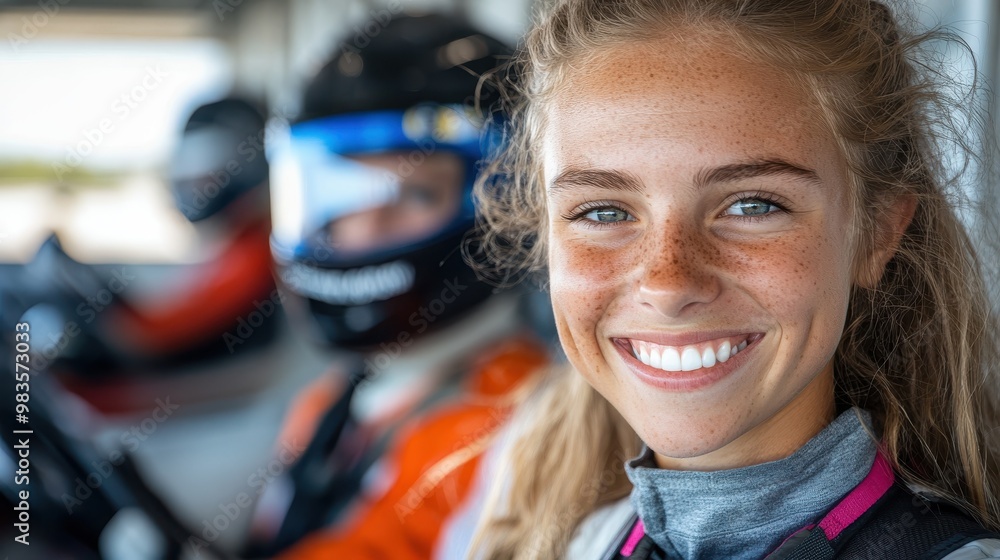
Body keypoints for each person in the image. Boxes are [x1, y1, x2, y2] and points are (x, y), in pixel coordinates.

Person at [463, 0, 1000, 558]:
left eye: (751, 206)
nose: (669, 284)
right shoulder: (571, 541)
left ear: (876, 233)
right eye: (604, 212)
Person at [243, 13, 550, 559]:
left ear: (511, 202)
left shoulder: (523, 432)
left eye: (413, 195)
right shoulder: (327, 403)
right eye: (339, 195)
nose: (362, 230)